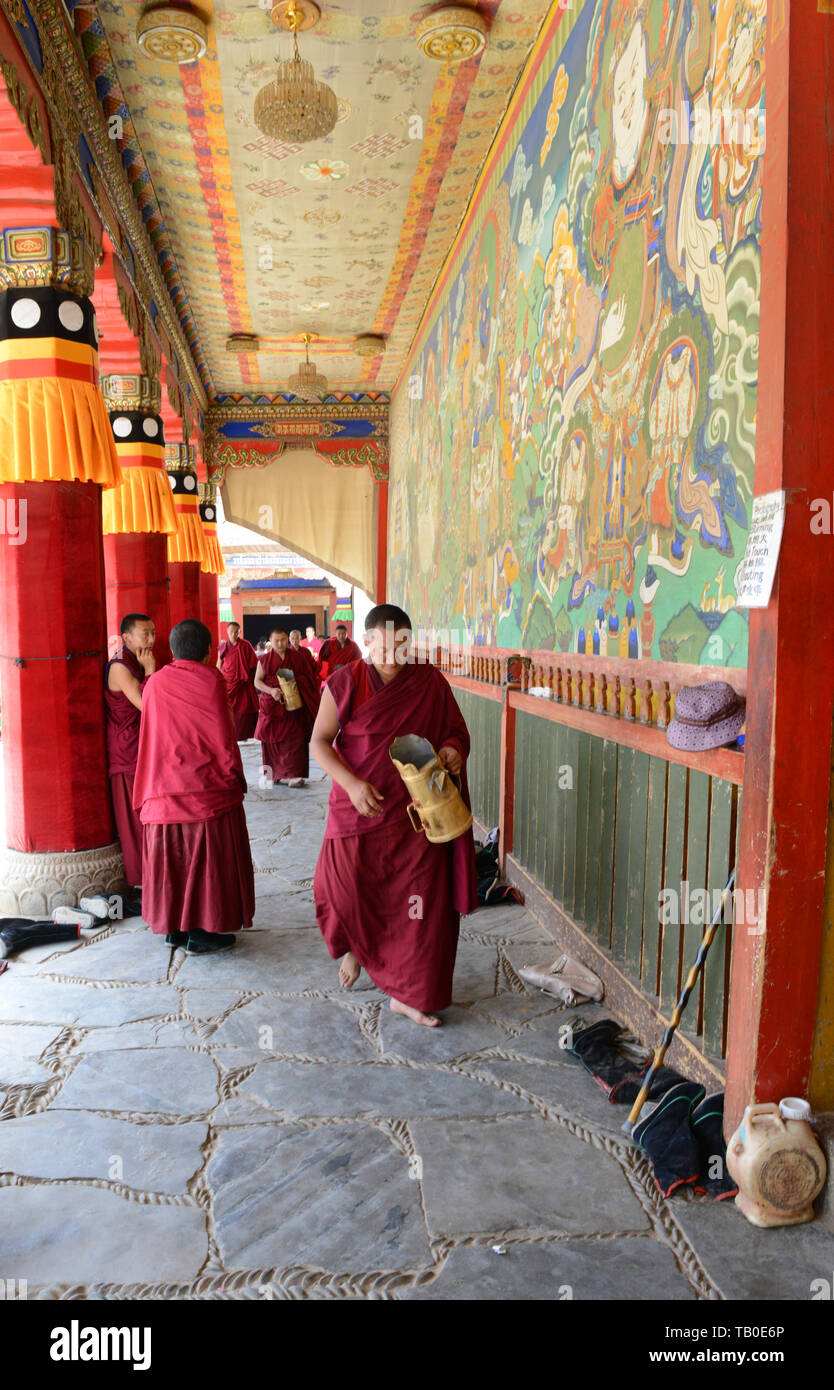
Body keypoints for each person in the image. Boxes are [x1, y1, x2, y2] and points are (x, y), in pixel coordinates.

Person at [311, 604, 477, 1026]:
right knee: (341, 890)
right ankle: (357, 947)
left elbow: (455, 730)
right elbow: (320, 742)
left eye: (402, 644)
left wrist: (453, 751)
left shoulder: (429, 682)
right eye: (383, 645)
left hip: (417, 815)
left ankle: (410, 994)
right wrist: (351, 784)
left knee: (418, 908)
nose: (393, 653)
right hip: (360, 808)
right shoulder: (345, 683)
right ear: (368, 642)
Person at [133, 618, 254, 954]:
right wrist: (232, 778)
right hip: (205, 789)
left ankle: (176, 927)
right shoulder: (212, 680)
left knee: (172, 860)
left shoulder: (155, 683)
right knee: (206, 863)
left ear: (172, 651)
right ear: (207, 653)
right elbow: (222, 736)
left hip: (162, 789)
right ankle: (202, 930)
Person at [105, 613, 156, 895]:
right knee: (135, 821)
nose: (151, 639)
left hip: (142, 748)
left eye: (153, 633)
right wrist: (150, 671)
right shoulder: (120, 668)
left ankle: (154, 874)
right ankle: (141, 881)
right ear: (127, 638)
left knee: (148, 817)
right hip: (127, 753)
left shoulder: (137, 660)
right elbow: (147, 704)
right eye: (145, 634)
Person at [254, 626, 320, 788]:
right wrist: (272, 690)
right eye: (276, 640)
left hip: (295, 705)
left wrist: (296, 683)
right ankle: (274, 774)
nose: (280, 643)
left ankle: (294, 775)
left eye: (283, 639)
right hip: (273, 706)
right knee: (271, 741)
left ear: (287, 640)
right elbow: (257, 681)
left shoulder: (297, 657)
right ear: (271, 641)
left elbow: (309, 677)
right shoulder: (265, 660)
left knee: (296, 739)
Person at [216, 621, 258, 741]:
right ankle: (229, 735)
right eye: (231, 632)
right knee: (228, 711)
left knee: (243, 712)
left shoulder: (245, 645)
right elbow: (219, 665)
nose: (234, 634)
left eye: (236, 632)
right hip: (228, 684)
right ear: (227, 632)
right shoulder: (223, 647)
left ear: (239, 632)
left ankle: (243, 736)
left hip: (243, 684)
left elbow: (253, 665)